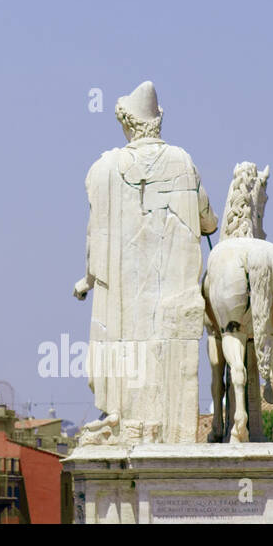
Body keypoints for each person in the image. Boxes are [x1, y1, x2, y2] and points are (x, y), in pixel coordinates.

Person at [72, 82, 218, 445]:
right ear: (158, 121)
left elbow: (95, 236)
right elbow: (209, 220)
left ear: (127, 123)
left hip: (123, 295)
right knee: (162, 355)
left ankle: (127, 422)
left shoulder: (104, 169)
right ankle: (166, 430)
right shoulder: (182, 162)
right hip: (172, 295)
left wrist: (88, 278)